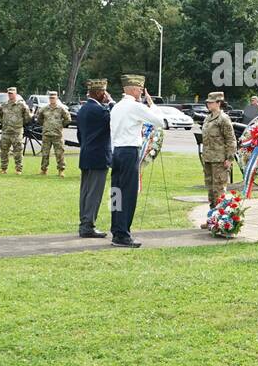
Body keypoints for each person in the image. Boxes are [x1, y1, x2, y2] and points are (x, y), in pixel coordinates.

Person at [109, 74, 165, 248]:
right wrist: (153, 105)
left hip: (117, 151)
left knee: (116, 192)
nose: (142, 92)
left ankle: (116, 229)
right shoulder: (134, 106)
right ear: (133, 89)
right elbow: (159, 121)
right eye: (140, 89)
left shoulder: (117, 107)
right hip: (129, 151)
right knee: (128, 194)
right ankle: (123, 234)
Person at [76, 79, 113, 238]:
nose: (105, 95)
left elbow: (79, 135)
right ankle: (88, 226)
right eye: (104, 93)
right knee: (94, 193)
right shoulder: (100, 111)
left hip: (86, 154)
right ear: (99, 93)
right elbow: (116, 114)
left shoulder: (83, 109)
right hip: (98, 157)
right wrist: (111, 102)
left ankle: (84, 222)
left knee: (85, 192)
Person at [199, 91, 236, 222]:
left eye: (211, 102)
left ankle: (221, 220)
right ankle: (212, 219)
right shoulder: (208, 118)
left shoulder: (223, 119)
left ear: (218, 103)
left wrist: (229, 158)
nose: (208, 104)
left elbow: (231, 139)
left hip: (220, 160)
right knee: (210, 190)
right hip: (209, 159)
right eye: (208, 102)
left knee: (219, 191)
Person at [0, 87, 32, 174]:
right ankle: (3, 168)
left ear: (15, 94)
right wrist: (5, 123)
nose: (10, 95)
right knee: (4, 151)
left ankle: (18, 169)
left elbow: (27, 117)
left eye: (12, 93)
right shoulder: (4, 105)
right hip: (6, 131)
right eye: (9, 93)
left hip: (17, 131)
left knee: (18, 151)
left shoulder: (21, 105)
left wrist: (20, 123)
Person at [38, 91, 71, 176]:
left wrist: (60, 125)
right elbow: (39, 119)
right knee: (45, 153)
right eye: (51, 98)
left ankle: (61, 170)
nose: (52, 99)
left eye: (53, 98)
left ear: (57, 98)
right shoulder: (44, 109)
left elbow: (68, 119)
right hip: (46, 134)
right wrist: (46, 125)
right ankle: (43, 170)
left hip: (57, 135)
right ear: (49, 99)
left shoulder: (61, 109)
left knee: (59, 153)